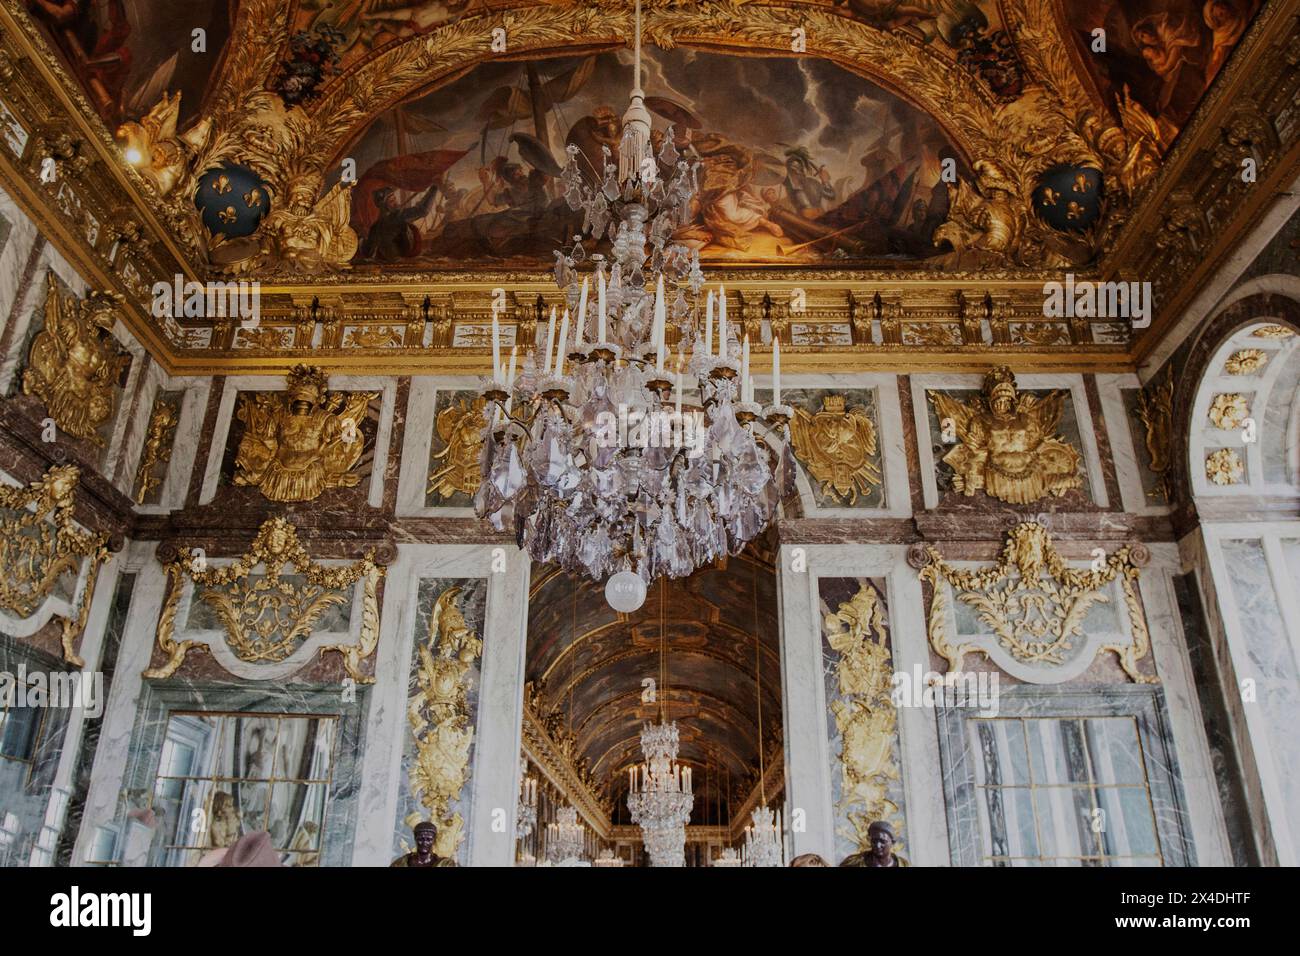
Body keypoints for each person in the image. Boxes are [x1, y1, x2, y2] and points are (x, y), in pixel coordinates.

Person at [839, 820, 907, 867]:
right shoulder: (853, 863)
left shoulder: (904, 865)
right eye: (874, 841)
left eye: (882, 841)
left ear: (892, 842)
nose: (878, 845)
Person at [390, 821, 456, 867]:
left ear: (434, 840)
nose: (424, 843)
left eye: (429, 839)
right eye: (420, 839)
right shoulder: (400, 864)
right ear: (415, 839)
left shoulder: (445, 865)